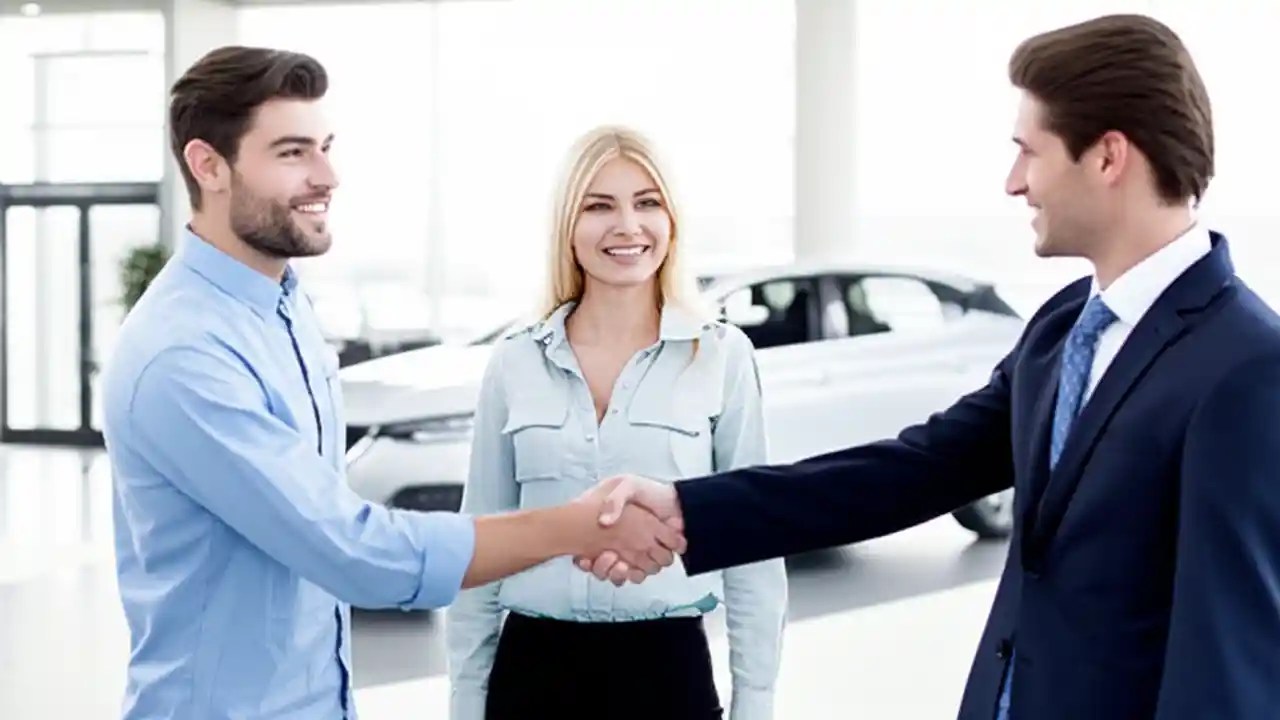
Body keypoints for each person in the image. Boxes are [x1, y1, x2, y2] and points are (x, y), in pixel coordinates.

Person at [579, 14, 1280, 720]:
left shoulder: (1246, 367)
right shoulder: (1061, 329)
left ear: (1107, 158)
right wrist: (687, 507)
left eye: (1028, 152)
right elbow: (913, 470)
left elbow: (1226, 664)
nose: (1014, 183)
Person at [101, 47, 683, 720]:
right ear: (209, 166)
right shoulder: (182, 354)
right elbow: (356, 553)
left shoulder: (284, 310)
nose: (328, 175)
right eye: (293, 153)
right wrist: (582, 526)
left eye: (325, 146)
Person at [446, 126, 787, 720]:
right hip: (533, 674)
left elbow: (753, 551)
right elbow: (480, 548)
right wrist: (466, 705)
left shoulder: (722, 355)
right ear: (567, 228)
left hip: (666, 673)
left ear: (671, 220)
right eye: (599, 206)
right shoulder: (515, 360)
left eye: (647, 203)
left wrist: (754, 705)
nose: (627, 225)